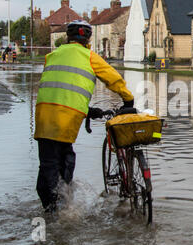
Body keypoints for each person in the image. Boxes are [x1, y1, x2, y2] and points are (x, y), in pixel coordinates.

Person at [34, 20, 134, 213]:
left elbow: (60, 90)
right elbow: (113, 78)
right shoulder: (89, 57)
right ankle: (61, 209)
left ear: (68, 38)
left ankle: (50, 207)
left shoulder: (51, 56)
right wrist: (128, 100)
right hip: (66, 119)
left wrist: (87, 111)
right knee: (64, 161)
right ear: (88, 39)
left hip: (43, 116)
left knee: (48, 162)